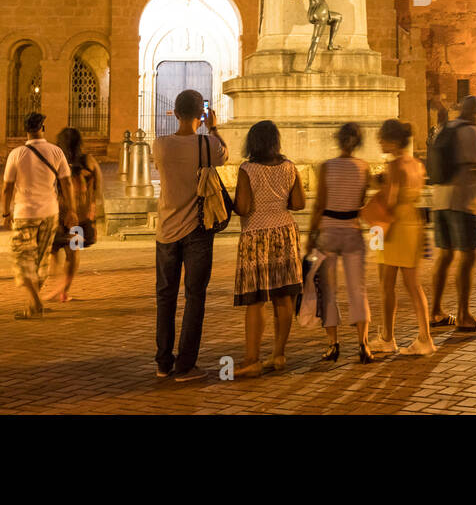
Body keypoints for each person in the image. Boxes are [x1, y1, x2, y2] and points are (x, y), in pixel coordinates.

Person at [151, 90, 226, 382]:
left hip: (166, 230)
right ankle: (185, 365)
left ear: (176, 113)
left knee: (165, 296)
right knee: (195, 297)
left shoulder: (160, 145)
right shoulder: (208, 144)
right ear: (201, 114)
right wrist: (214, 127)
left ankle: (162, 361)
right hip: (198, 229)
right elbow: (225, 154)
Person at [233, 120, 305, 377]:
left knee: (256, 299)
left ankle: (252, 359)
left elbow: (242, 207)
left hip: (256, 235)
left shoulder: (247, 169)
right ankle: (279, 354)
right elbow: (298, 202)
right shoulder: (289, 167)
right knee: (283, 296)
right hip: (285, 233)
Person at [307, 122, 373, 363]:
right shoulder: (363, 168)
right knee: (358, 289)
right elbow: (362, 201)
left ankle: (333, 344)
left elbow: (319, 204)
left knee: (328, 290)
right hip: (352, 230)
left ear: (339, 140)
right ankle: (363, 344)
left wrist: (310, 236)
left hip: (328, 231)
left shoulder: (326, 167)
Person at [2, 113, 76, 320]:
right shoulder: (55, 151)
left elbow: (7, 187)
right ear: (43, 127)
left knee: (21, 258)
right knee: (41, 261)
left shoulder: (16, 154)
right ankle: (33, 304)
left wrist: (6, 213)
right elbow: (66, 183)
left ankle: (35, 303)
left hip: (25, 213)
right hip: (50, 213)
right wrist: (71, 210)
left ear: (25, 130)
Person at [429, 96, 476, 333]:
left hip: (440, 201)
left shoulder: (448, 128)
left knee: (444, 256)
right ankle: (464, 315)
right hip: (463, 202)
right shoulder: (471, 132)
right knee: (468, 257)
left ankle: (435, 312)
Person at [373, 119, 436, 355]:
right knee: (413, 285)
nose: (379, 141)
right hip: (413, 225)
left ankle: (388, 337)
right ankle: (424, 337)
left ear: (392, 141)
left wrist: (376, 184)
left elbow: (389, 201)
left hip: (392, 227)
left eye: (382, 137)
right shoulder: (417, 165)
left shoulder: (396, 166)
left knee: (386, 285)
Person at [41, 127, 102, 304]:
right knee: (73, 253)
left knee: (53, 251)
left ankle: (56, 286)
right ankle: (63, 291)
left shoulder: (54, 160)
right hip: (80, 217)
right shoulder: (88, 161)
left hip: (59, 214)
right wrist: (93, 210)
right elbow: (97, 187)